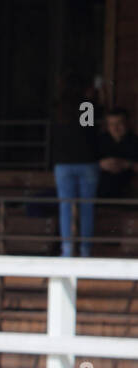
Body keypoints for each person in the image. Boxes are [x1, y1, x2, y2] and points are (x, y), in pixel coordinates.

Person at [50, 74, 100, 257]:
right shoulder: (87, 106)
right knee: (86, 208)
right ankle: (85, 250)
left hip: (63, 163)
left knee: (66, 207)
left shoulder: (59, 107)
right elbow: (88, 131)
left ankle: (67, 250)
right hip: (86, 161)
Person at [96, 107, 138, 200]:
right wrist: (100, 164)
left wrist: (127, 164)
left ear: (128, 123)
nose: (115, 128)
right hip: (100, 190)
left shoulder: (135, 142)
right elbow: (85, 164)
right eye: (111, 124)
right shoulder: (98, 140)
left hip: (128, 191)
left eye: (119, 123)